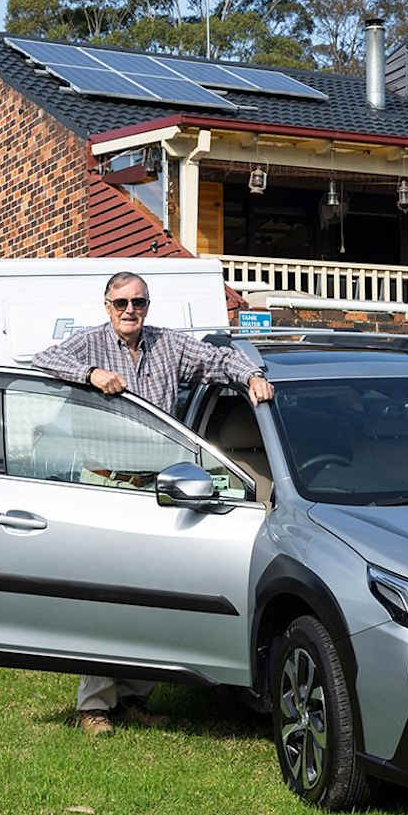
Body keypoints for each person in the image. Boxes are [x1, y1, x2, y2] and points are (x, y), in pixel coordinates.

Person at [31, 271, 274, 736]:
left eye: (138, 302)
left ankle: (136, 695)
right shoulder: (89, 344)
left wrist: (251, 375)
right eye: (121, 302)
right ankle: (95, 705)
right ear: (106, 305)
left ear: (148, 305)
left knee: (153, 593)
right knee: (105, 596)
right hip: (106, 484)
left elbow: (218, 359)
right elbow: (44, 358)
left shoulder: (169, 345)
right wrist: (91, 375)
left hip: (157, 488)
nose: (130, 310)